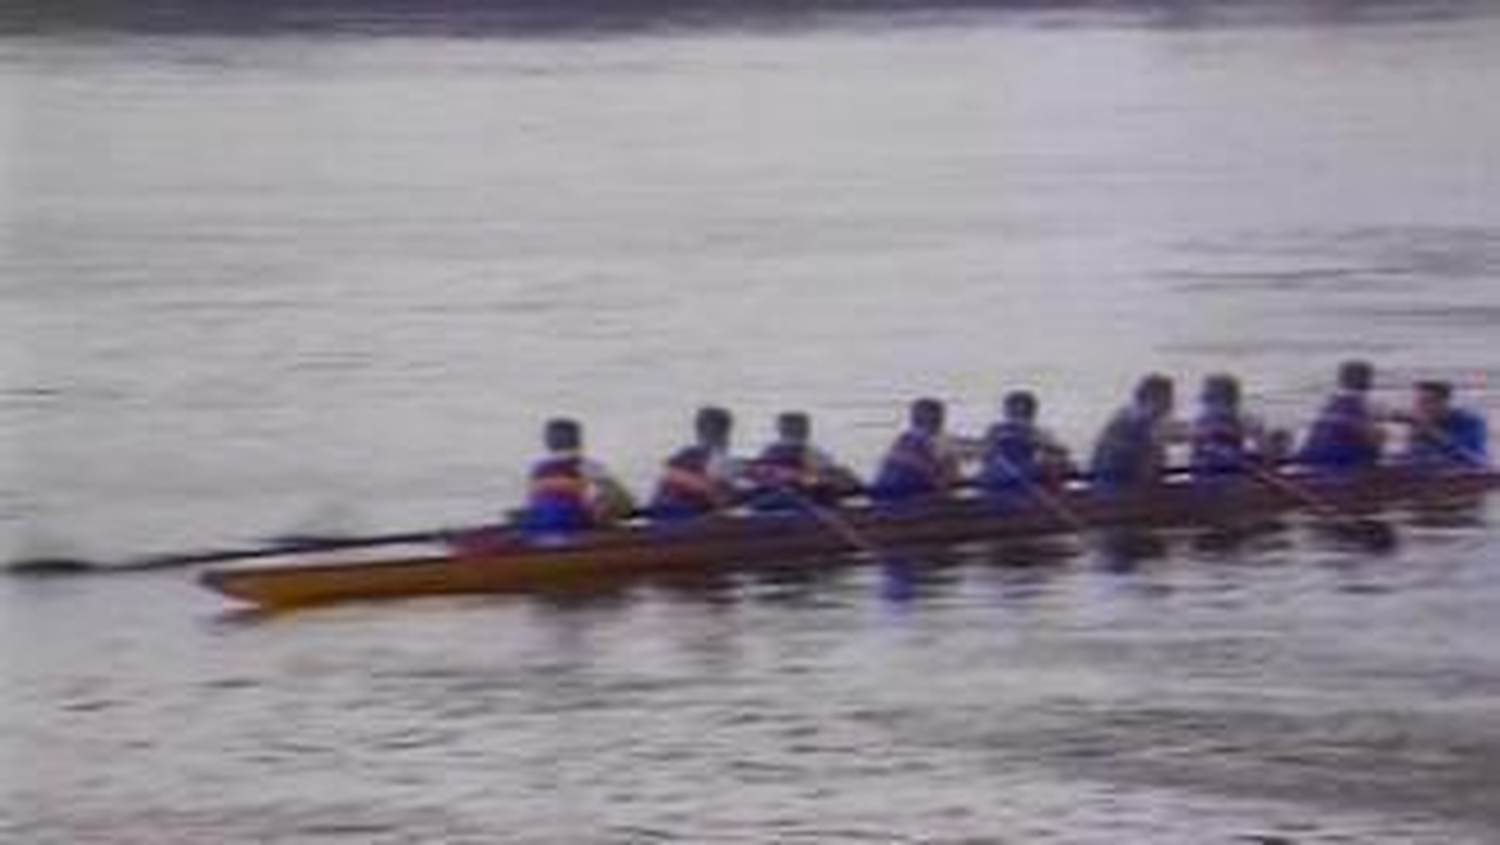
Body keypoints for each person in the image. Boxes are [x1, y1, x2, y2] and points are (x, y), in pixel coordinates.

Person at [518, 417, 636, 536]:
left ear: (548, 443)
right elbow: (626, 501)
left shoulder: (537, 470)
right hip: (576, 527)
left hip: (540, 527)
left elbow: (532, 501)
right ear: (578, 441)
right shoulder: (588, 466)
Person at [747, 411, 864, 509]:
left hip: (794, 500)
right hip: (788, 500)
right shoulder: (775, 451)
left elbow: (832, 478)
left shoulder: (773, 450)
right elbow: (757, 474)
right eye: (789, 428)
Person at [647, 405, 747, 519]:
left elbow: (668, 473)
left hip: (662, 510)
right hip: (679, 514)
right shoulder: (714, 457)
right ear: (724, 435)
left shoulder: (685, 454)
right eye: (724, 433)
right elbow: (719, 496)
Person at [1089, 374, 1185, 489]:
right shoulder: (1134, 421)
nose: (1170, 406)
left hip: (1122, 489)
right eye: (1167, 400)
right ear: (1151, 399)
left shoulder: (1132, 416)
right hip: (1119, 491)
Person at [979, 390, 1074, 495]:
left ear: (1031, 414)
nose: (1018, 418)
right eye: (1014, 413)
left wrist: (1040, 443)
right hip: (999, 479)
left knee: (1051, 463)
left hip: (1026, 478)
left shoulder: (1037, 432)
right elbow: (985, 452)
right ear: (1007, 412)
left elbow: (1062, 451)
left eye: (1023, 414)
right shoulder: (996, 430)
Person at [870, 397, 965, 503]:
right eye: (941, 419)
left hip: (883, 501)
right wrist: (950, 458)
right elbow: (946, 482)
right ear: (939, 421)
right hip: (910, 507)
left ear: (912, 419)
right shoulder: (930, 445)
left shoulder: (902, 441)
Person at [1296, 359, 1386, 470]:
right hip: (1337, 468)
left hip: (1311, 461)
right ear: (1367, 381)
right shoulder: (1354, 406)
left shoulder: (1331, 404)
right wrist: (1380, 437)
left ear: (1342, 380)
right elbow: (1371, 443)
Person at [1190, 374, 1271, 478]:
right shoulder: (1205, 421)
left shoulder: (1238, 420)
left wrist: (1257, 436)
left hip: (1227, 475)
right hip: (1213, 476)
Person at [1398, 380, 1488, 466]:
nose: (1422, 408)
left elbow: (1475, 461)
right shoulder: (1418, 425)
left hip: (1463, 475)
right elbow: (1411, 456)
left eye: (1427, 402)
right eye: (1418, 403)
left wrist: (1433, 433)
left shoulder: (1470, 422)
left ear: (1444, 402)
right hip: (1428, 474)